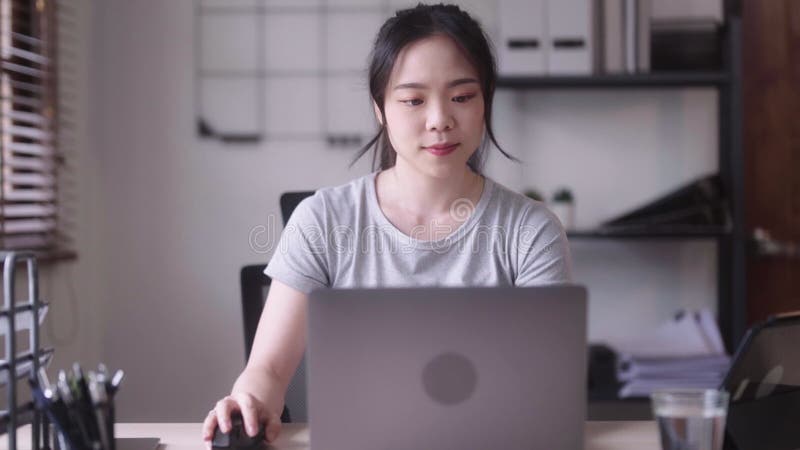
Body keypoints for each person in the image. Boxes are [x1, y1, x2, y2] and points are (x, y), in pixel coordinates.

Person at [202, 3, 572, 446]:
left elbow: (545, 390)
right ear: (380, 108)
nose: (439, 120)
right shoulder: (323, 220)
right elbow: (269, 370)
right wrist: (248, 402)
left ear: (485, 101)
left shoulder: (531, 231)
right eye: (414, 100)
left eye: (462, 96)